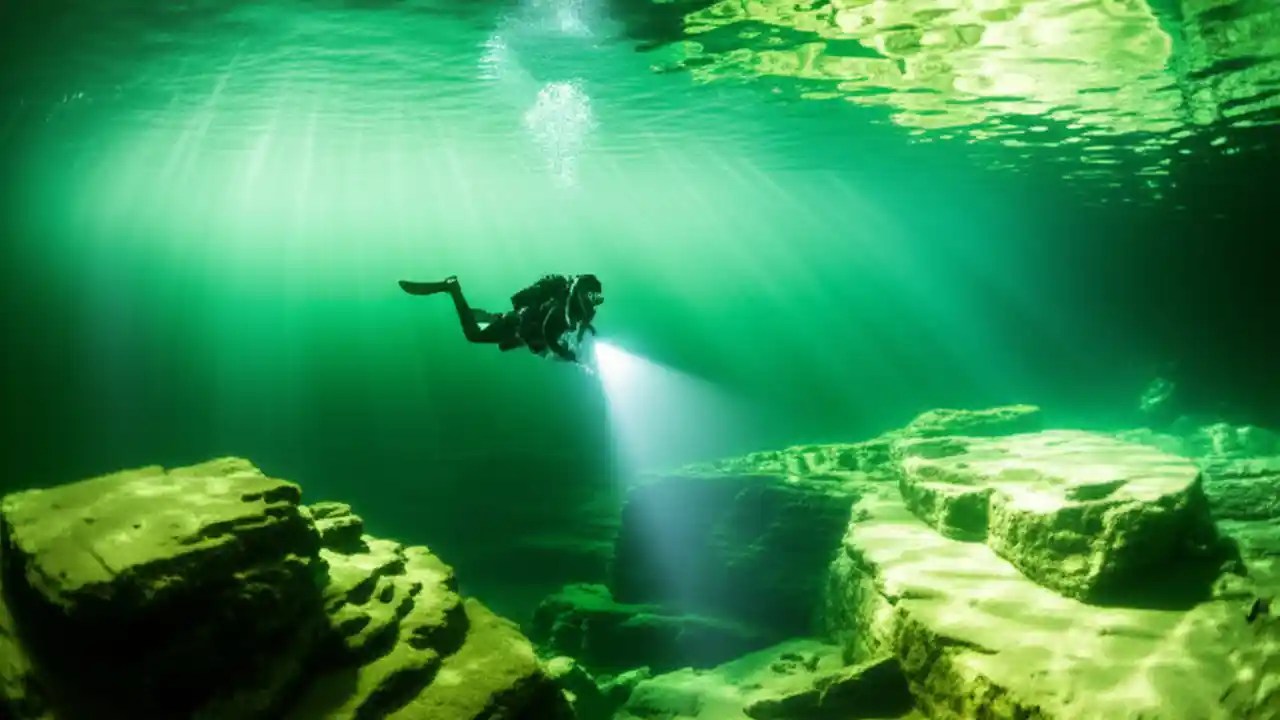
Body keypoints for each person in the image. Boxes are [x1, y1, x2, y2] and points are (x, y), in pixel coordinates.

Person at [398, 273, 603, 364]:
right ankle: (452, 288)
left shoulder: (582, 310)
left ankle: (486, 317)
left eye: (597, 299)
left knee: (504, 345)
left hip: (525, 331)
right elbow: (549, 331)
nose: (594, 302)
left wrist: (583, 336)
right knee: (474, 335)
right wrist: (564, 352)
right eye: (592, 296)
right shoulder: (561, 308)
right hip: (520, 325)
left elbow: (575, 327)